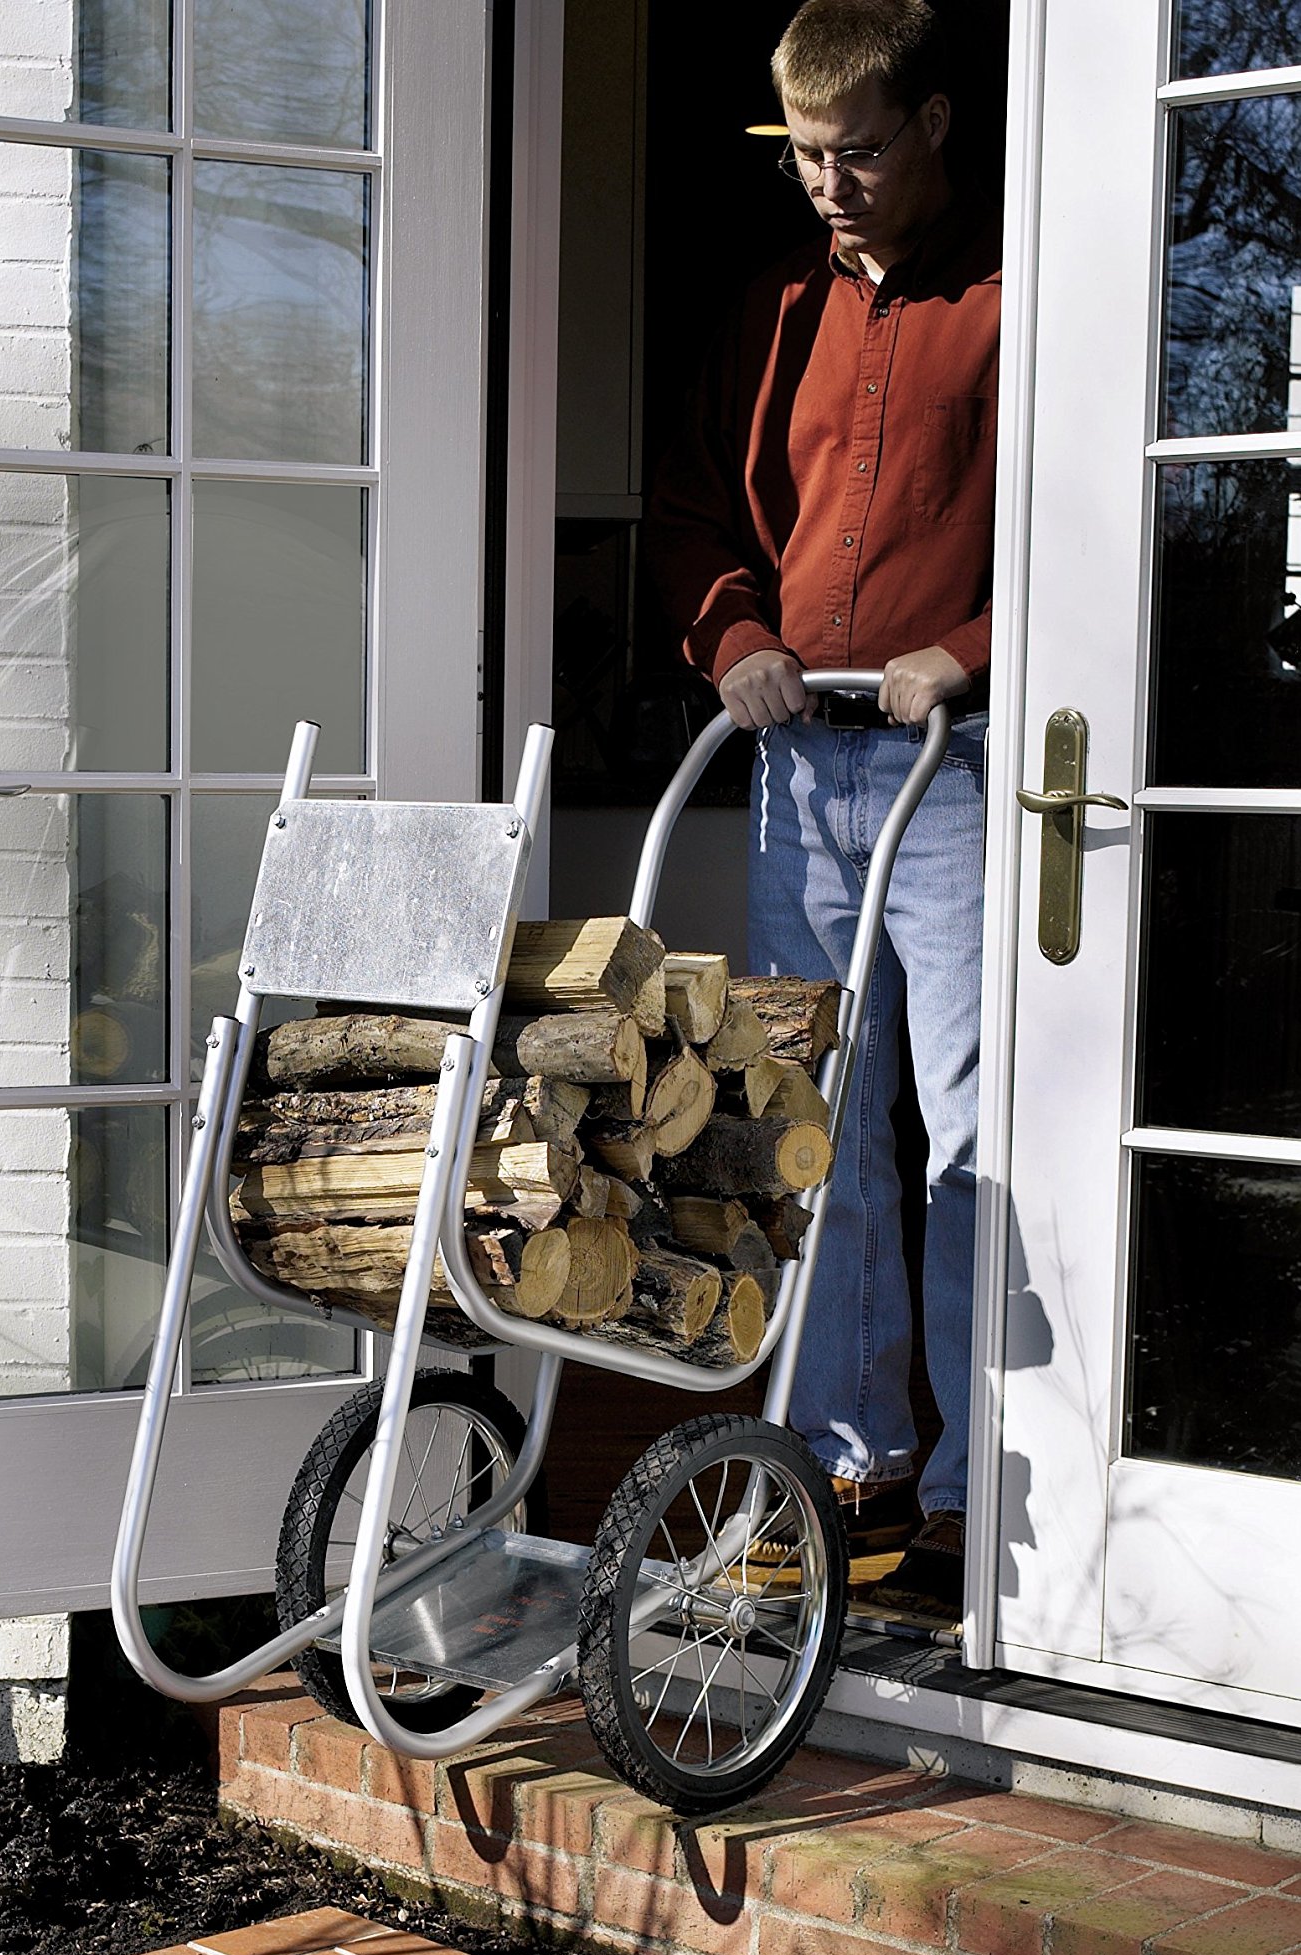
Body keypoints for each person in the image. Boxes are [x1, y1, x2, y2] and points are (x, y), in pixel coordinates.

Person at [647, 0, 1000, 1619]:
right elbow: (698, 513)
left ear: (931, 124)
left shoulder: (1016, 297)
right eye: (802, 156)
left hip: (972, 774)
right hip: (796, 767)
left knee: (979, 1139)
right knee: (822, 1132)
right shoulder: (775, 306)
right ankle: (853, 1468)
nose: (831, 184)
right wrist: (736, 640)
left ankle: (995, 1486)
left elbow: (1113, 512)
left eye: (858, 149)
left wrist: (973, 651)